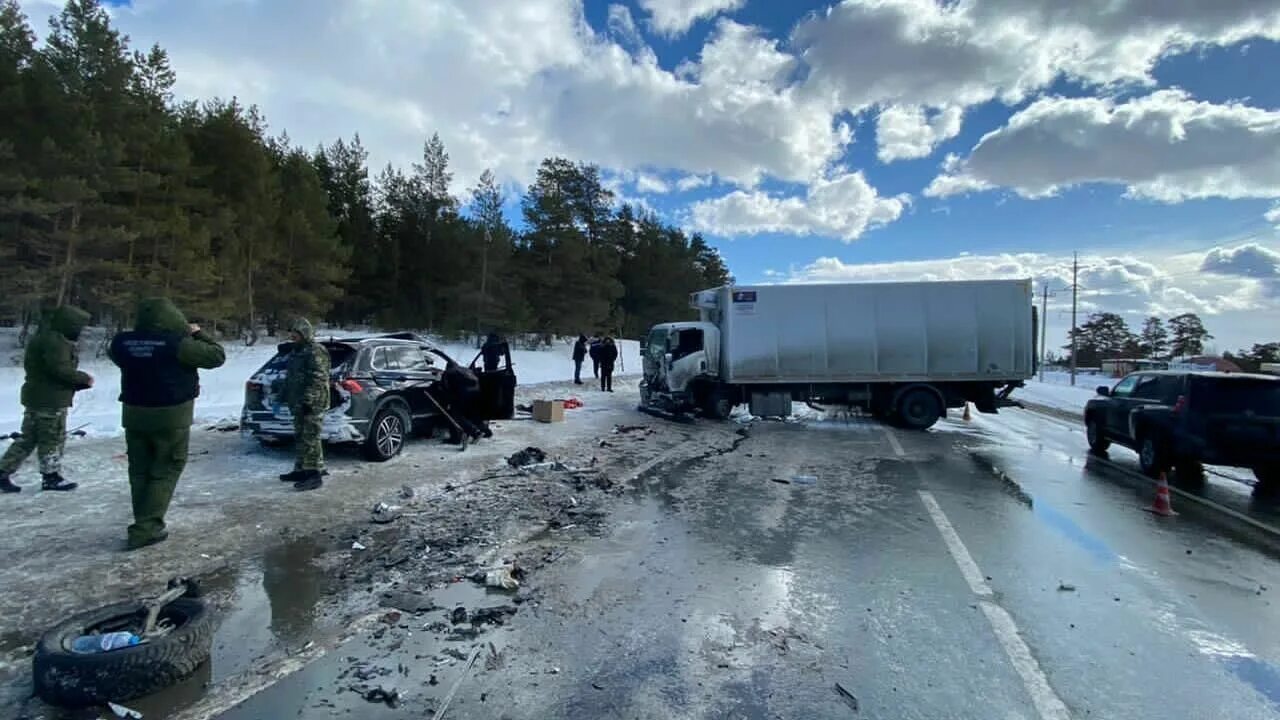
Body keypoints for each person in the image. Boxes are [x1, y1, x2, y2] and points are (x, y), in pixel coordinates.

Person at [109, 298, 225, 549]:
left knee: (139, 470)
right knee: (166, 467)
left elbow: (120, 358)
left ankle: (143, 519)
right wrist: (199, 334)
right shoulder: (177, 345)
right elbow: (216, 356)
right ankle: (146, 527)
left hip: (134, 413)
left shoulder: (122, 342)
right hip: (170, 414)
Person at [0, 306, 93, 494]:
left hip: (36, 396)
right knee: (53, 437)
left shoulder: (44, 337)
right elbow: (59, 369)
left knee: (29, 438)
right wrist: (83, 379)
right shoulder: (56, 342)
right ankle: (51, 477)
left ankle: (2, 471)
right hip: (51, 399)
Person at [279, 318, 330, 492]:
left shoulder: (316, 351)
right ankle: (301, 469)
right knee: (300, 435)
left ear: (304, 334)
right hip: (298, 402)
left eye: (296, 333)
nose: (292, 336)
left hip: (313, 402)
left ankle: (313, 474)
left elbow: (318, 378)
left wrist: (309, 400)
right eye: (292, 332)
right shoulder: (297, 351)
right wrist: (282, 396)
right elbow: (291, 377)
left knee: (311, 437)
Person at [440, 361, 486, 444]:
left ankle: (474, 433)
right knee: (470, 415)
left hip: (462, 395)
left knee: (455, 415)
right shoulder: (465, 370)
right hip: (475, 394)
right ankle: (485, 430)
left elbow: (446, 389)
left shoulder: (447, 373)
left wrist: (448, 403)